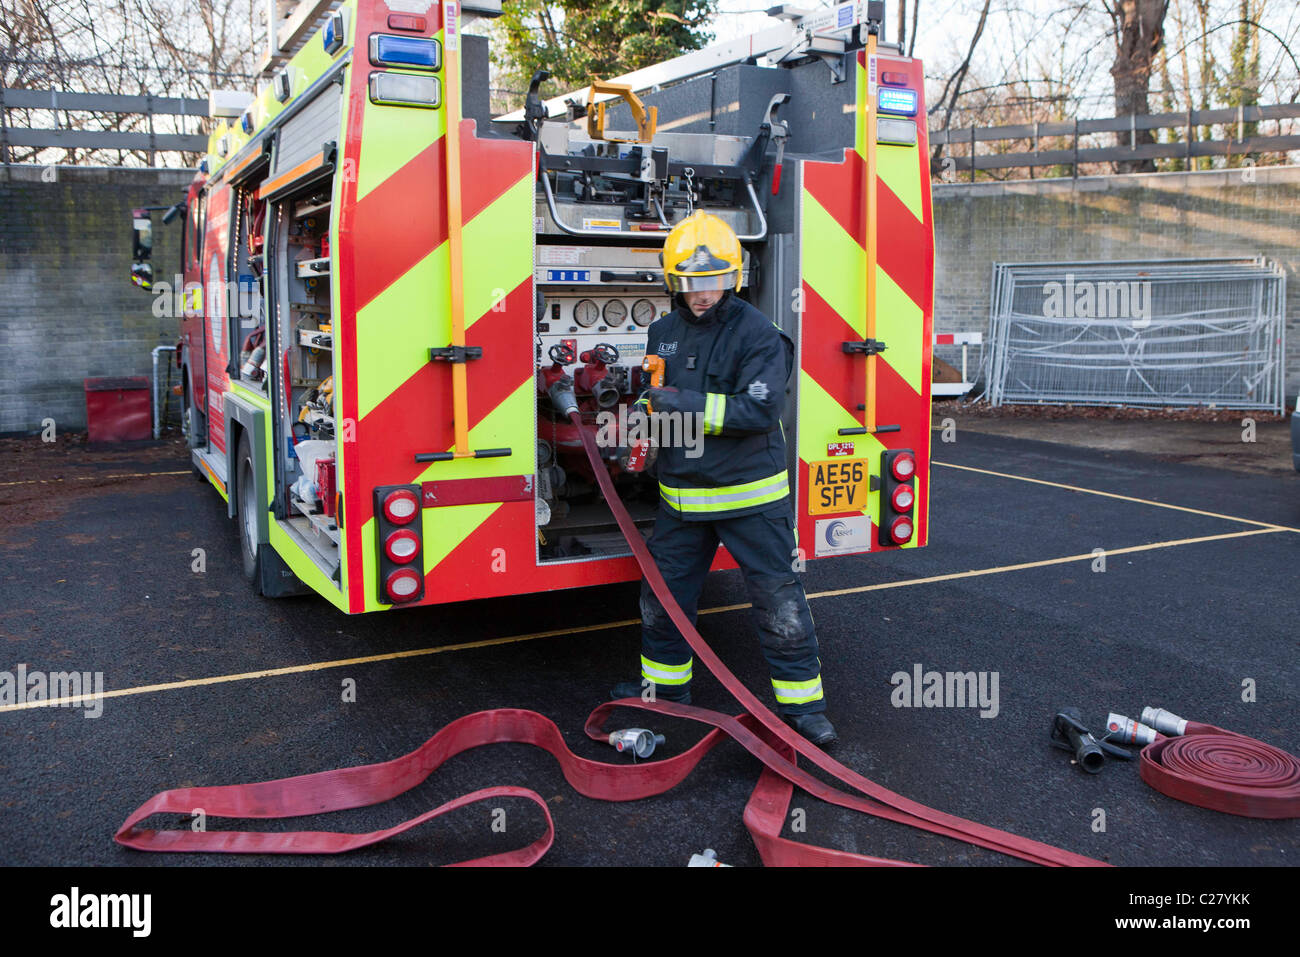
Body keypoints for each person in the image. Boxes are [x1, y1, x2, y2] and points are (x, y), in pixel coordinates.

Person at [608, 210, 836, 746]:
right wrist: (635, 428)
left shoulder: (760, 334)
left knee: (778, 602)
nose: (702, 294)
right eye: (690, 283)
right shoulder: (661, 331)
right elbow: (653, 394)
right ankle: (665, 694)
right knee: (662, 600)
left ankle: (803, 711)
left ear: (731, 278)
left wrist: (678, 403)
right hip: (682, 502)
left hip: (750, 501)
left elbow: (756, 412)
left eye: (712, 282)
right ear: (673, 281)